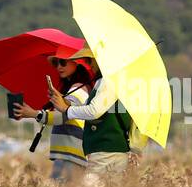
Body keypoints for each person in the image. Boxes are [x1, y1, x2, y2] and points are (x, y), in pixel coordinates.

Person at [47, 48, 139, 179]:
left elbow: (94, 111)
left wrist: (66, 109)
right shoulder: (103, 82)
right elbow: (92, 110)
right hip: (104, 150)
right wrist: (64, 101)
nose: (87, 63)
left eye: (89, 60)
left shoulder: (109, 81)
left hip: (107, 151)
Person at [12, 53, 94, 182]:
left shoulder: (79, 89)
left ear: (77, 62)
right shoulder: (74, 89)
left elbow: (61, 117)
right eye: (56, 63)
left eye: (63, 62)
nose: (58, 67)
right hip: (68, 154)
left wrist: (33, 114)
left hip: (71, 155)